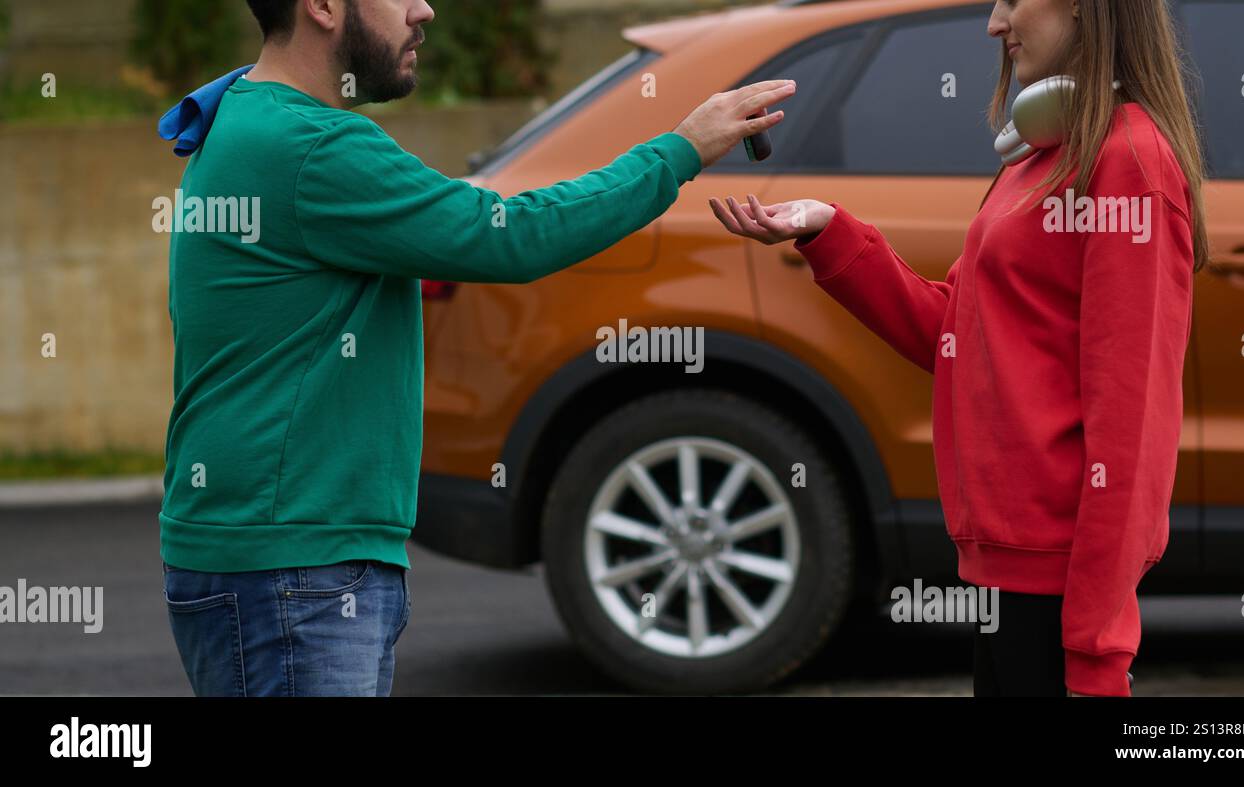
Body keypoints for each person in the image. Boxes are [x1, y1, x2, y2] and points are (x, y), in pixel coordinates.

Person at [158, 0, 794, 696]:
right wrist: (679, 152)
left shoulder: (247, 121)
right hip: (292, 569)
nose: (424, 9)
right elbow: (505, 234)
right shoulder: (311, 147)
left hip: (277, 558)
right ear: (323, 6)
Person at [709, 0, 1207, 697]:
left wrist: (1094, 655)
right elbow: (960, 337)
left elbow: (1133, 429)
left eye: (1012, 0)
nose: (994, 25)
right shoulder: (1041, 157)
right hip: (1001, 572)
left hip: (1056, 589)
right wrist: (830, 231)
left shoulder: (1128, 165)